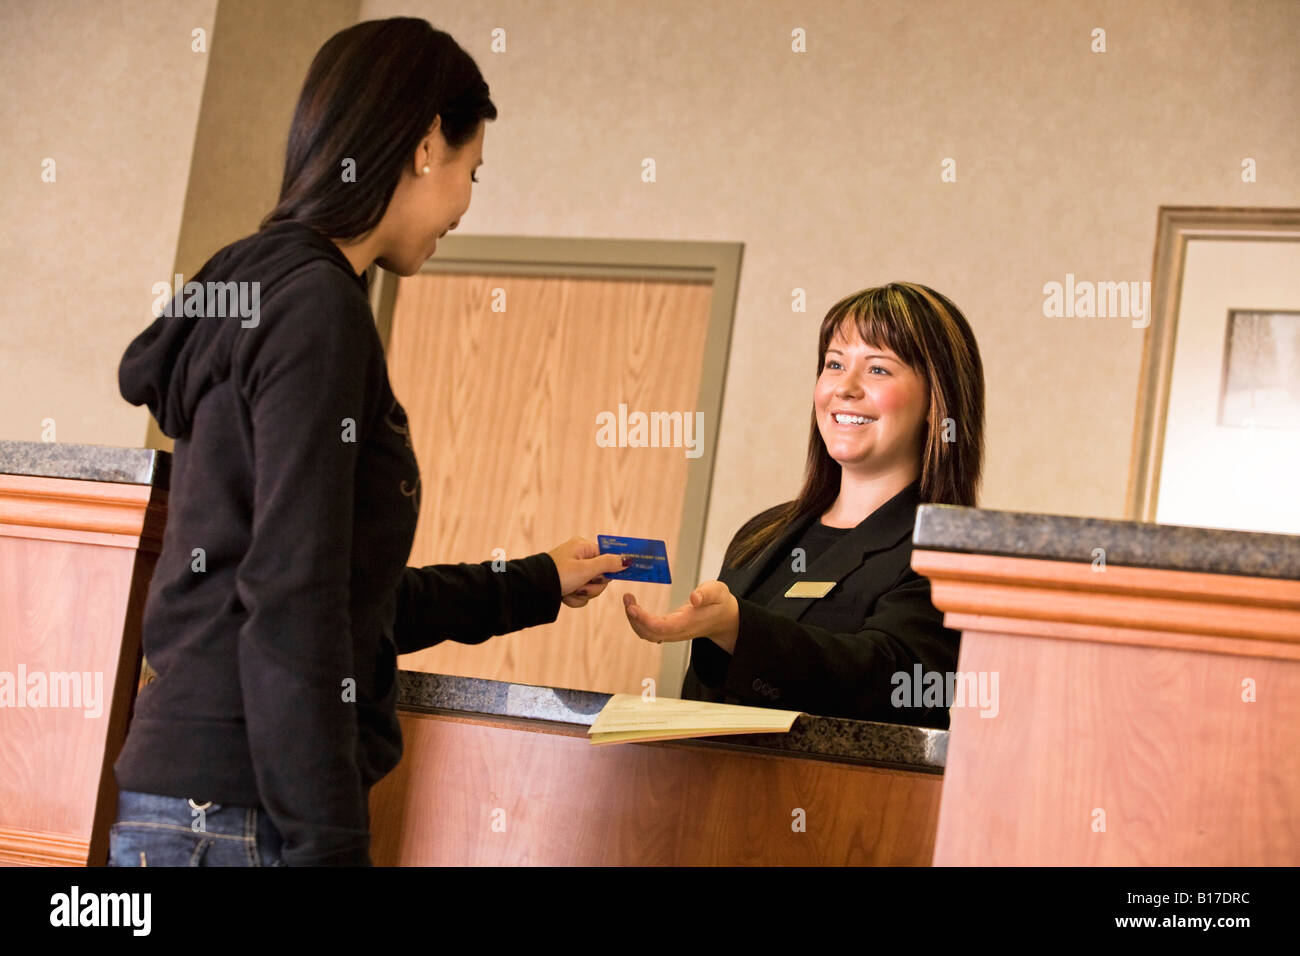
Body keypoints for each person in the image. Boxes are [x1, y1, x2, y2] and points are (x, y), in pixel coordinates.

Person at [109, 17, 625, 867]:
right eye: (472, 170)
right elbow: (295, 598)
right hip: (245, 806)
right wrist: (331, 846)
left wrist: (535, 581)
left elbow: (342, 597)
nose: (464, 203)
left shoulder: (249, 280)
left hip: (189, 791)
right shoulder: (319, 308)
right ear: (427, 144)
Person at [623, 282, 985, 729]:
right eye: (835, 364)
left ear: (937, 401)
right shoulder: (761, 534)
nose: (845, 388)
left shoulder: (951, 550)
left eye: (878, 370)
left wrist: (740, 630)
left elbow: (894, 683)